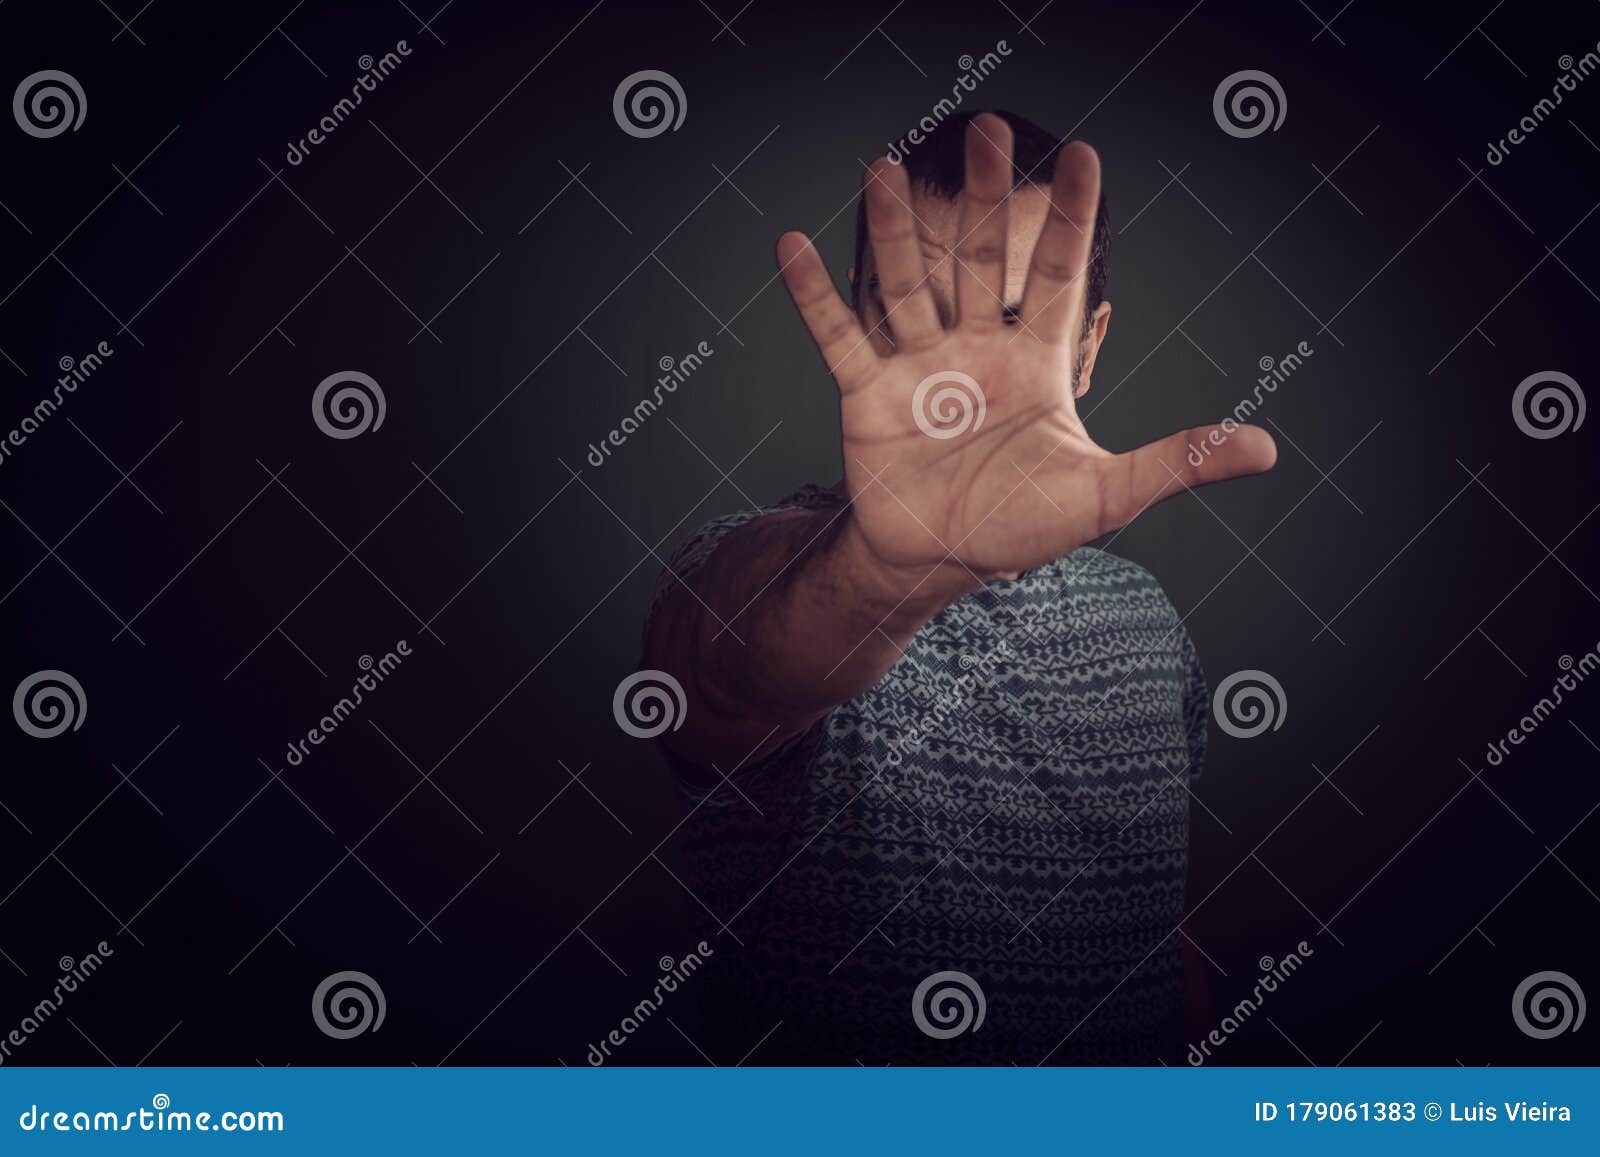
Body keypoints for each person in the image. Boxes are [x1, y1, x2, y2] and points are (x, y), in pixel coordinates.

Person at [640, 110, 1276, 1063]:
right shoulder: (760, 578)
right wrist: (884, 573)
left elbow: (1155, 929)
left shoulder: (1147, 621)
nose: (962, 383)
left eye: (1010, 318)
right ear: (860, 311)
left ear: (1089, 346)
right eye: (918, 315)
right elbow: (720, 671)